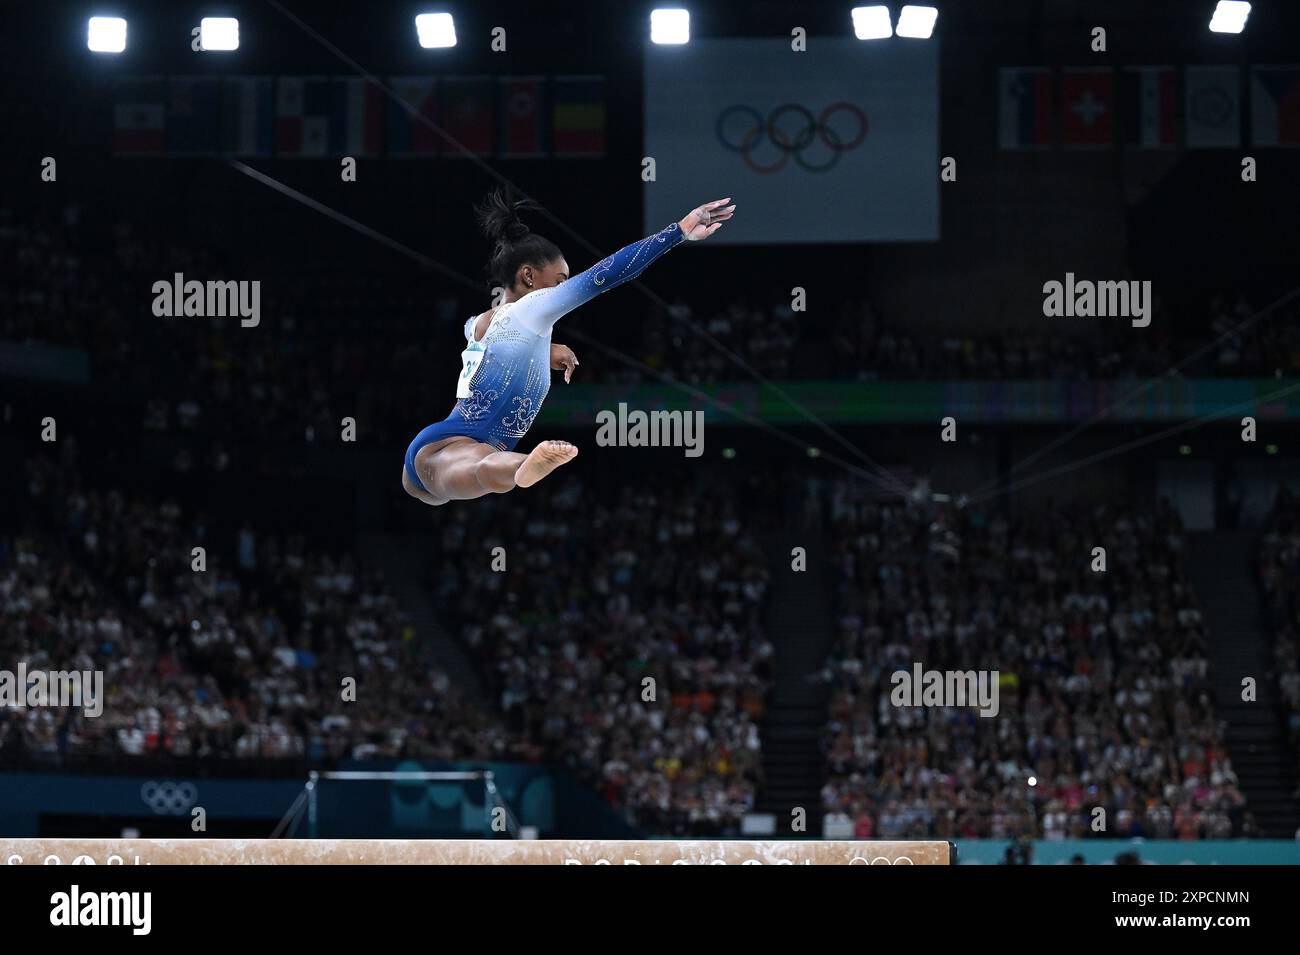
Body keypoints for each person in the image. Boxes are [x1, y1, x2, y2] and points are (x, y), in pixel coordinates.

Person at [402, 188, 735, 506]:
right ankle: (525, 464)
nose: (563, 289)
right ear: (529, 276)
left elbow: (496, 347)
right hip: (461, 448)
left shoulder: (478, 323)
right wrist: (677, 232)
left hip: (439, 448)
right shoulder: (532, 309)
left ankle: (523, 464)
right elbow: (608, 273)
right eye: (560, 280)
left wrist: (544, 351)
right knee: (482, 466)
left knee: (479, 467)